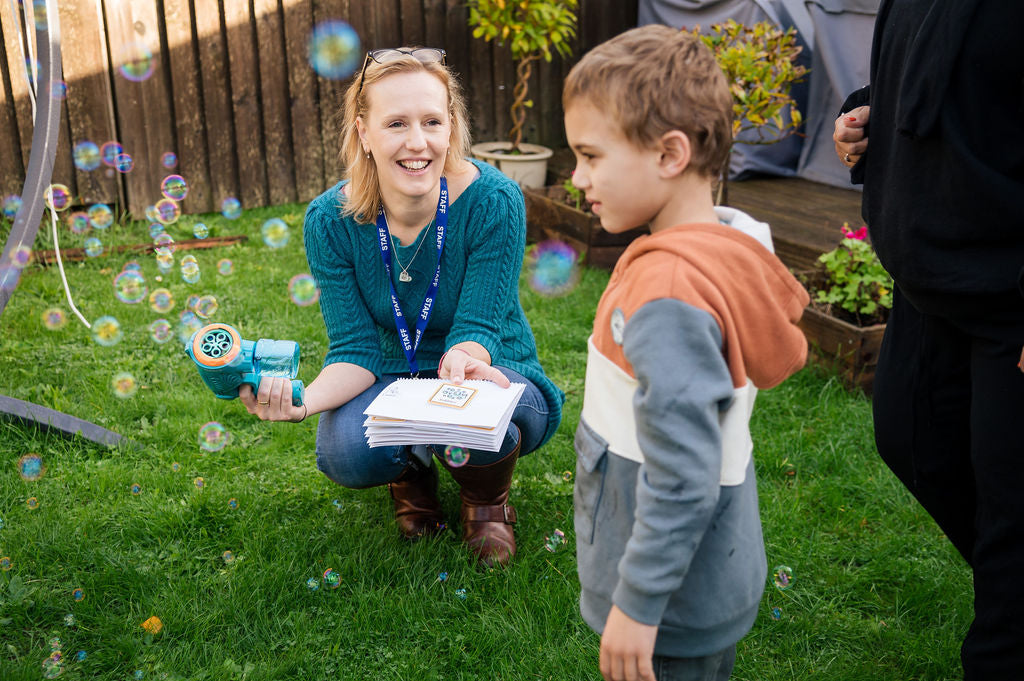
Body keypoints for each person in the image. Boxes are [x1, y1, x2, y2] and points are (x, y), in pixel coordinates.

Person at [238, 47, 564, 568]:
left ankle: (486, 505)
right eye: (396, 123)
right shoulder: (330, 221)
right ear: (363, 132)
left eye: (433, 121)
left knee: (490, 411)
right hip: (391, 376)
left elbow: (479, 325)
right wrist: (302, 402)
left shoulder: (495, 201)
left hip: (489, 368)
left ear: (451, 125)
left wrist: (465, 359)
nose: (418, 143)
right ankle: (411, 476)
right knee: (342, 452)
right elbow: (355, 351)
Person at [563, 26, 809, 681]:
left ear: (670, 153)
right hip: (710, 579)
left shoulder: (667, 292)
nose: (576, 177)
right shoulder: (733, 239)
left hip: (667, 609)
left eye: (590, 155)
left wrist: (636, 607)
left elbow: (682, 478)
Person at [833, 2, 1024, 677]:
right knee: (913, 442)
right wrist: (870, 114)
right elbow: (937, 69)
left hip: (1012, 294)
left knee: (1012, 515)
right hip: (929, 277)